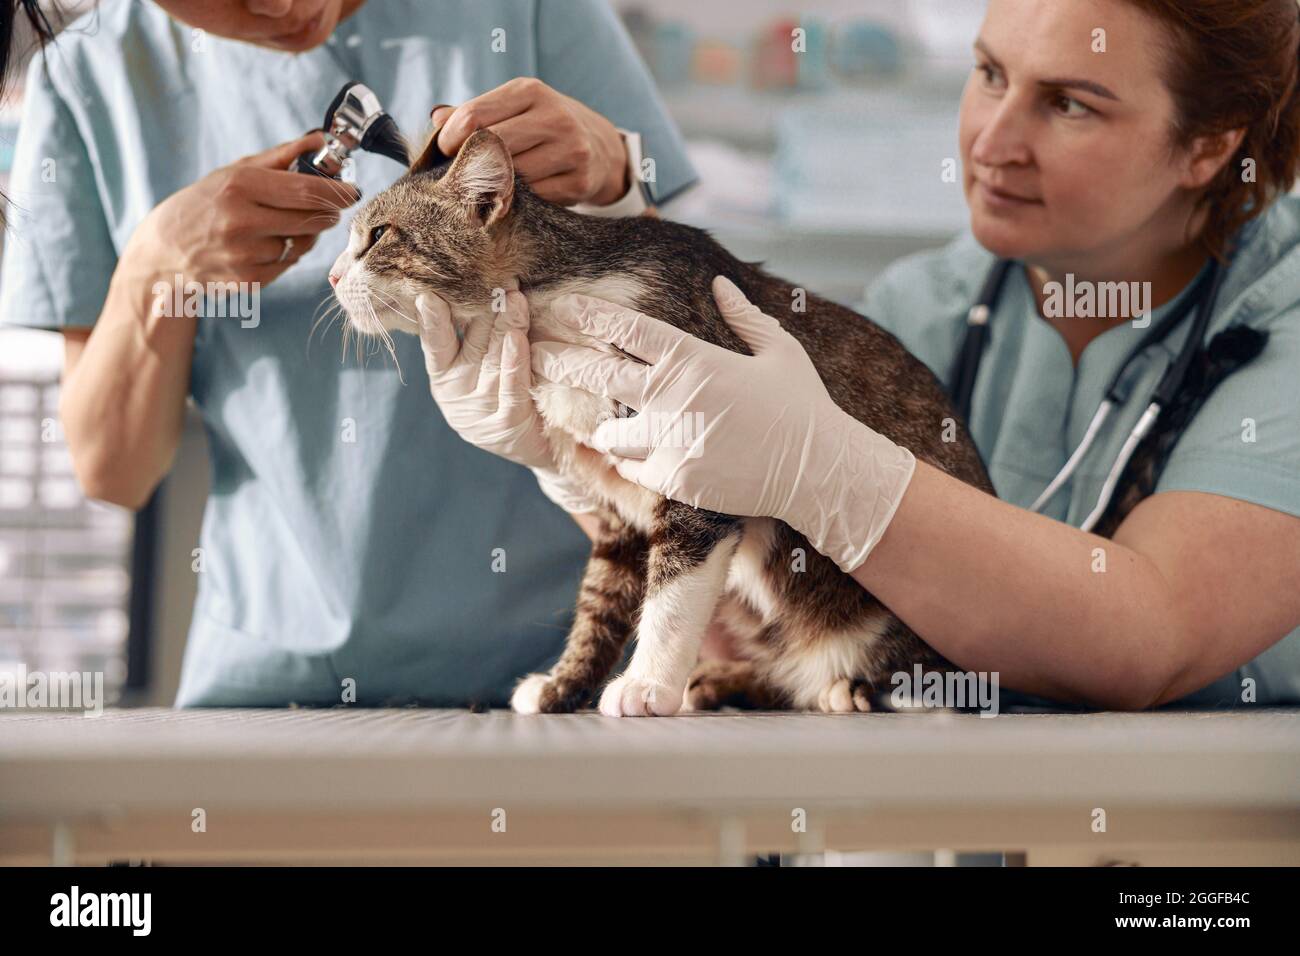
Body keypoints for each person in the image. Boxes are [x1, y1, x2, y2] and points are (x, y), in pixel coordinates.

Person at [422, 0, 1300, 711]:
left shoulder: (1286, 319)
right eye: (989, 74)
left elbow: (1147, 639)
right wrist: (579, 463)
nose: (993, 142)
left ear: (1211, 142)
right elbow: (761, 624)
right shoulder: (926, 304)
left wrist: (827, 472)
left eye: (1070, 103)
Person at [0, 0, 696, 707]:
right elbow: (112, 471)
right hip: (273, 686)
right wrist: (156, 270)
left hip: (577, 668)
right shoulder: (90, 72)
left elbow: (698, 370)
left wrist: (617, 173)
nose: (279, 5)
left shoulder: (525, 12)